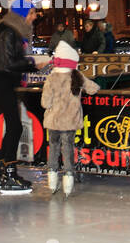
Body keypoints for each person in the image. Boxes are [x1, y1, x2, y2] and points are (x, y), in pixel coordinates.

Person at [0, 0, 49, 195]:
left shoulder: (11, 31)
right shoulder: (8, 32)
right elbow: (8, 64)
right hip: (3, 83)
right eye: (32, 13)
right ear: (22, 14)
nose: (34, 17)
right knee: (15, 128)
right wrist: (33, 65)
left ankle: (1, 173)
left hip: (5, 83)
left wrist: (29, 62)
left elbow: (12, 60)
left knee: (13, 127)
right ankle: (9, 174)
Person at [40, 40, 100, 198]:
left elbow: (45, 103)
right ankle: (68, 180)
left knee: (53, 149)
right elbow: (93, 89)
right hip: (70, 122)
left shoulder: (51, 78)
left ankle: (52, 180)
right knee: (68, 150)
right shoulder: (77, 76)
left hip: (53, 122)